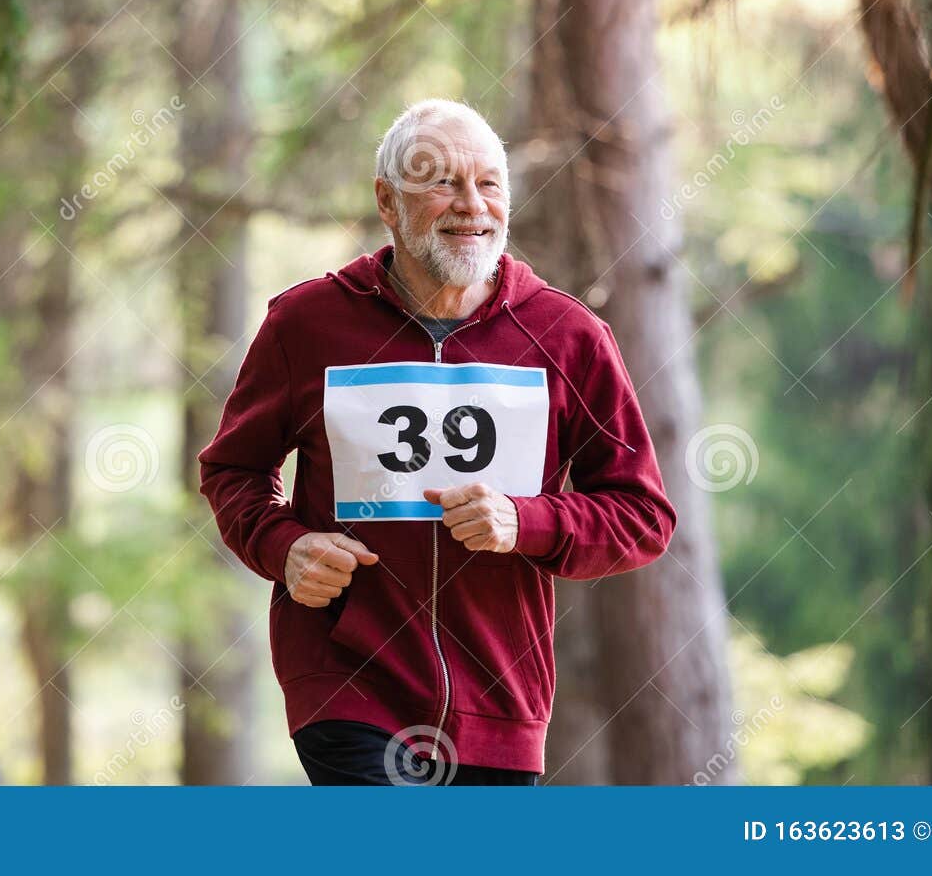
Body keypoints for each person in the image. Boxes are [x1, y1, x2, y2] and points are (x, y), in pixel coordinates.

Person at [199, 99, 677, 785]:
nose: (471, 205)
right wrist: (285, 546)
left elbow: (643, 514)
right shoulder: (307, 325)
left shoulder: (568, 337)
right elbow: (233, 469)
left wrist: (528, 519)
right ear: (387, 202)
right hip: (347, 681)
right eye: (442, 182)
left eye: (488, 183)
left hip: (499, 702)